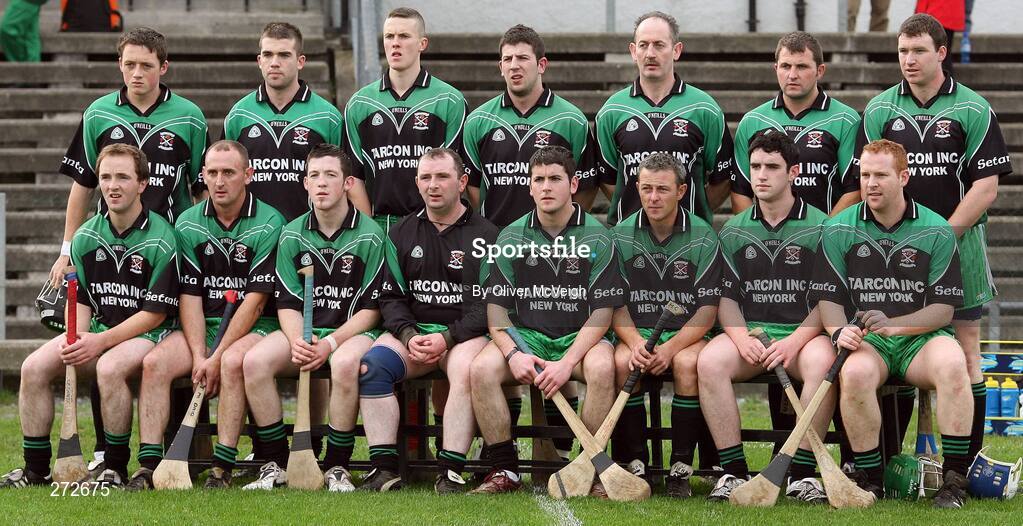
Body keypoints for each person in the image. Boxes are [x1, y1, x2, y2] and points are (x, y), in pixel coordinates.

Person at [857, 13, 1012, 463]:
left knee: (965, 355)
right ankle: (886, 461)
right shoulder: (881, 109)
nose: (909, 59)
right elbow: (870, 178)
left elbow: (987, 186)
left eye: (919, 50)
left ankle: (969, 465)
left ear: (942, 53)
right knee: (889, 343)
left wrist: (941, 236)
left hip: (958, 249)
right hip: (890, 251)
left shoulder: (973, 107)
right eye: (903, 51)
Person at [1, 143, 179, 488]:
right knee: (33, 367)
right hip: (97, 330)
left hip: (147, 335)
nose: (113, 185)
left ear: (142, 183)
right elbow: (79, 298)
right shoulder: (86, 236)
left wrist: (98, 342)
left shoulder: (162, 238)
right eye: (106, 177)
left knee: (110, 367)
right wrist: (77, 338)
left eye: (123, 177)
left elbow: (154, 314)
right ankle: (36, 468)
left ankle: (114, 466)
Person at [811, 139, 974, 509]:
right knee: (853, 375)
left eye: (881, 175)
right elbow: (829, 298)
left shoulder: (936, 229)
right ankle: (871, 479)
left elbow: (943, 310)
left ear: (904, 176)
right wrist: (838, 331)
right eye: (865, 175)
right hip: (869, 341)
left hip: (922, 338)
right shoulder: (838, 229)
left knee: (953, 363)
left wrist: (896, 325)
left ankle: (954, 480)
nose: (870, 183)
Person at [130, 141, 286, 490]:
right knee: (154, 364)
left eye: (228, 172)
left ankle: (221, 467)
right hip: (201, 325)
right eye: (212, 172)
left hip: (257, 326)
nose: (219, 181)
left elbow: (256, 302)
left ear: (248, 175)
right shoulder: (187, 224)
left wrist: (214, 357)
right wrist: (200, 354)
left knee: (230, 362)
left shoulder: (270, 222)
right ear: (202, 175)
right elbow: (190, 295)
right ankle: (149, 466)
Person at [240, 144, 395, 491]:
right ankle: (276, 461)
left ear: (348, 183)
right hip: (304, 330)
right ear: (305, 184)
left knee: (343, 364)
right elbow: (287, 303)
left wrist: (329, 342)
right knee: (254, 362)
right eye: (314, 176)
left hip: (350, 331)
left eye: (330, 175)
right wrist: (300, 340)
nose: (321, 183)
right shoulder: (292, 234)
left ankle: (336, 466)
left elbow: (371, 310)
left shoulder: (371, 235)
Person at [469, 145, 622, 495]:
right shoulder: (509, 236)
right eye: (539, 179)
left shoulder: (598, 236)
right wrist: (513, 354)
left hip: (579, 338)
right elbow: (496, 311)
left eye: (555, 178)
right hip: (527, 338)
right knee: (480, 369)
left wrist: (567, 364)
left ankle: (589, 468)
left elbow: (602, 313)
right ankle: (504, 469)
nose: (547, 187)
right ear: (529, 186)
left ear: (574, 183)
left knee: (601, 367)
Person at [698, 132, 835, 503]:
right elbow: (726, 298)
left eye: (772, 167)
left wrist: (793, 342)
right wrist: (741, 338)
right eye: (756, 166)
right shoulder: (734, 229)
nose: (761, 175)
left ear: (794, 172)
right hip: (752, 334)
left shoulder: (822, 226)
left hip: (803, 335)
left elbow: (827, 301)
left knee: (824, 362)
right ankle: (732, 471)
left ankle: (803, 474)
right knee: (709, 360)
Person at [358, 148, 498, 493]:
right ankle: (384, 469)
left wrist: (447, 339)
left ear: (462, 182)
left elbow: (489, 306)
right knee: (371, 366)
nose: (433, 185)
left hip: (464, 337)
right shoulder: (401, 232)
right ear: (417, 183)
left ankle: (449, 471)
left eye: (442, 177)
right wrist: (408, 336)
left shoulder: (488, 235)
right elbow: (390, 298)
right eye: (426, 178)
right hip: (415, 336)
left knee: (465, 369)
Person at [609, 152, 721, 497]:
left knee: (689, 364)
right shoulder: (620, 234)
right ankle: (636, 463)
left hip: (687, 336)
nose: (653, 197)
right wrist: (633, 344)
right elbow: (613, 304)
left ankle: (680, 468)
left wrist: (670, 349)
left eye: (661, 189)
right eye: (646, 189)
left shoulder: (703, 235)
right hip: (638, 333)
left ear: (682, 191)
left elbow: (707, 311)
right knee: (618, 363)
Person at [595, 10, 734, 226]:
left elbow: (723, 178)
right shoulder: (612, 110)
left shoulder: (704, 108)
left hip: (690, 240)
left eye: (659, 45)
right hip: (628, 240)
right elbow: (608, 179)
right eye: (643, 45)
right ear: (633, 51)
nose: (650, 53)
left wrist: (695, 209)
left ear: (676, 50)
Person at [343, 6, 467, 232]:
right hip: (380, 225)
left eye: (404, 36)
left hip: (433, 226)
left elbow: (454, 176)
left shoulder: (450, 100)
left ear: (422, 44)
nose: (395, 43)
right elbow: (355, 176)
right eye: (389, 36)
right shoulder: (360, 103)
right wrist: (370, 229)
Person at [463, 24, 599, 227]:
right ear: (501, 68)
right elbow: (472, 187)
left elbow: (586, 187)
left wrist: (560, 228)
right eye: (507, 59)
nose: (514, 65)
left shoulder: (571, 120)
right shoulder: (477, 121)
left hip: (552, 241)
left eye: (523, 58)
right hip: (497, 240)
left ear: (541, 65)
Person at [223, 22, 346, 222]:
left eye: (284, 55)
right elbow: (225, 180)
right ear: (259, 60)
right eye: (268, 54)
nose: (274, 62)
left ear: (300, 61)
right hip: (251, 237)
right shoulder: (239, 116)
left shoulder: (328, 117)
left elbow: (343, 185)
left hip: (307, 237)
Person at [731, 31, 861, 216]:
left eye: (801, 66)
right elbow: (740, 191)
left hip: (824, 239)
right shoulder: (753, 121)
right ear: (776, 68)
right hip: (768, 240)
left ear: (820, 71)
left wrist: (824, 235)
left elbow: (854, 190)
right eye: (785, 66)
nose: (792, 75)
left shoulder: (845, 120)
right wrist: (759, 236)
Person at [915, 0, 965, 74]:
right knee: (944, 54)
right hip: (951, 13)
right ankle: (948, 81)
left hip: (935, 13)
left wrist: (918, 18)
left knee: (934, 54)